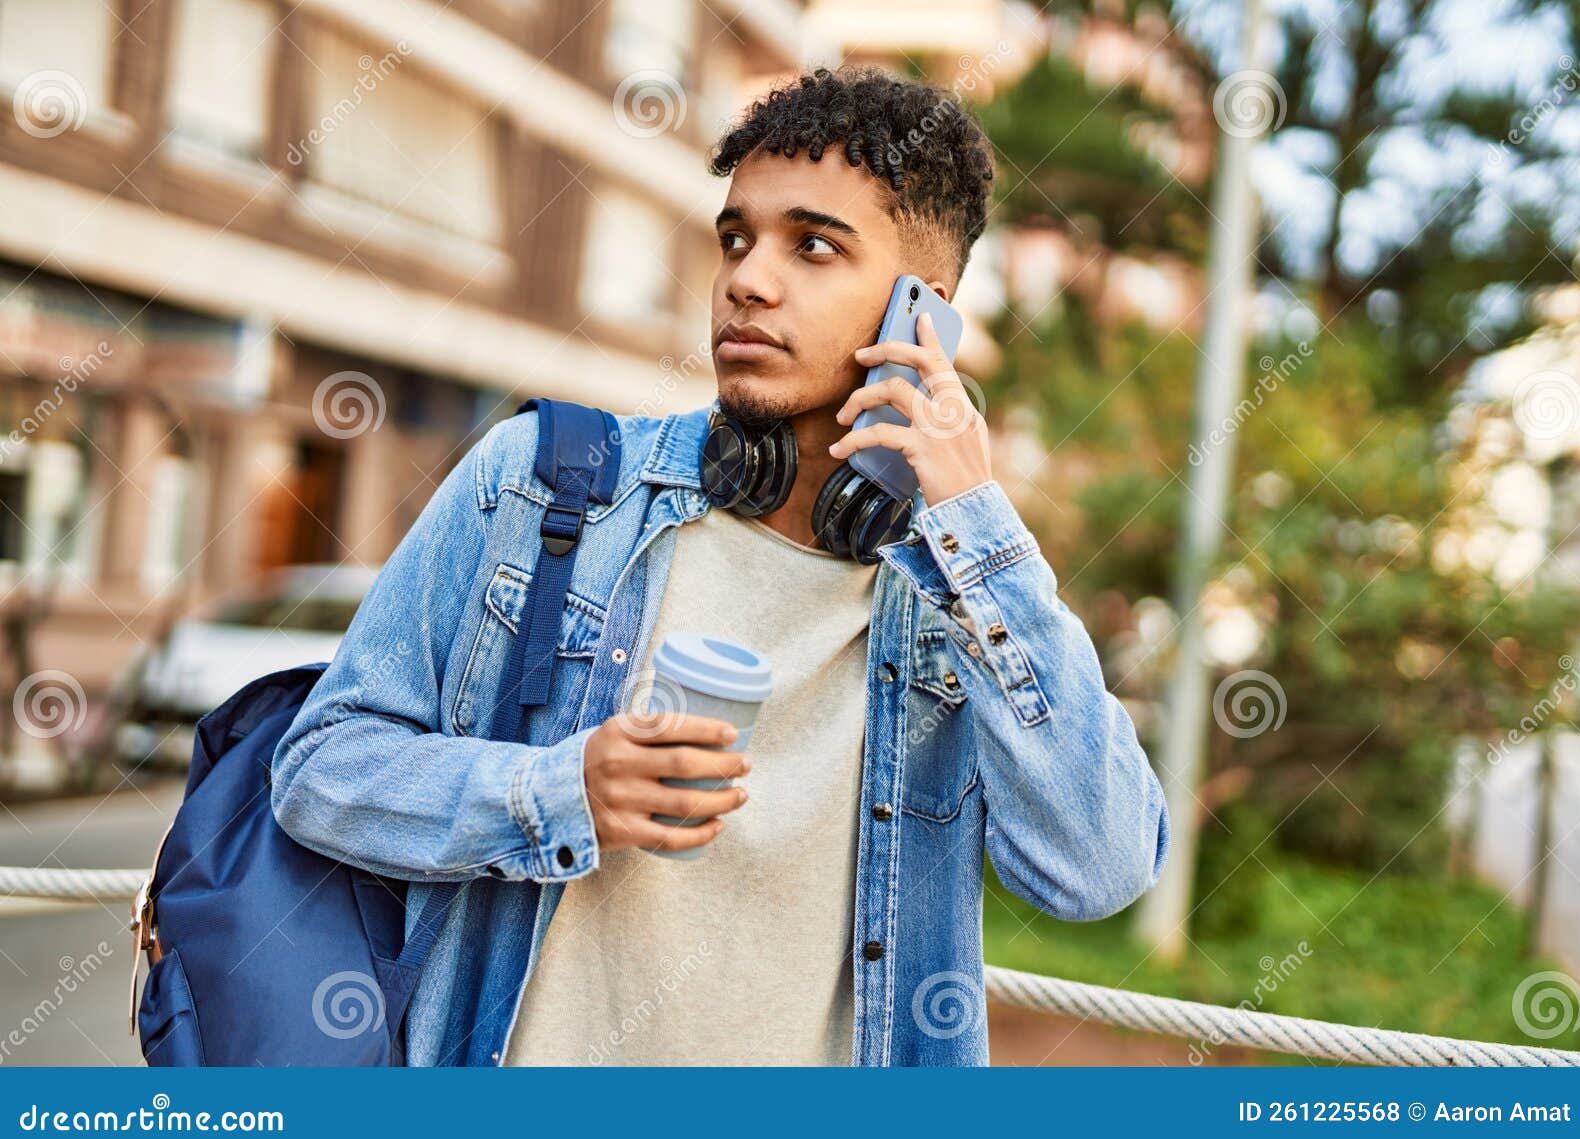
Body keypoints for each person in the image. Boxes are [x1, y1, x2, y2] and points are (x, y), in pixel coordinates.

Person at [270, 67, 1169, 1067]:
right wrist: (555, 791)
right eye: (735, 237)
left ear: (923, 316)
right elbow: (319, 770)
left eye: (813, 245)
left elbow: (1095, 868)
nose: (746, 277)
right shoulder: (538, 484)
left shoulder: (952, 597)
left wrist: (973, 525)